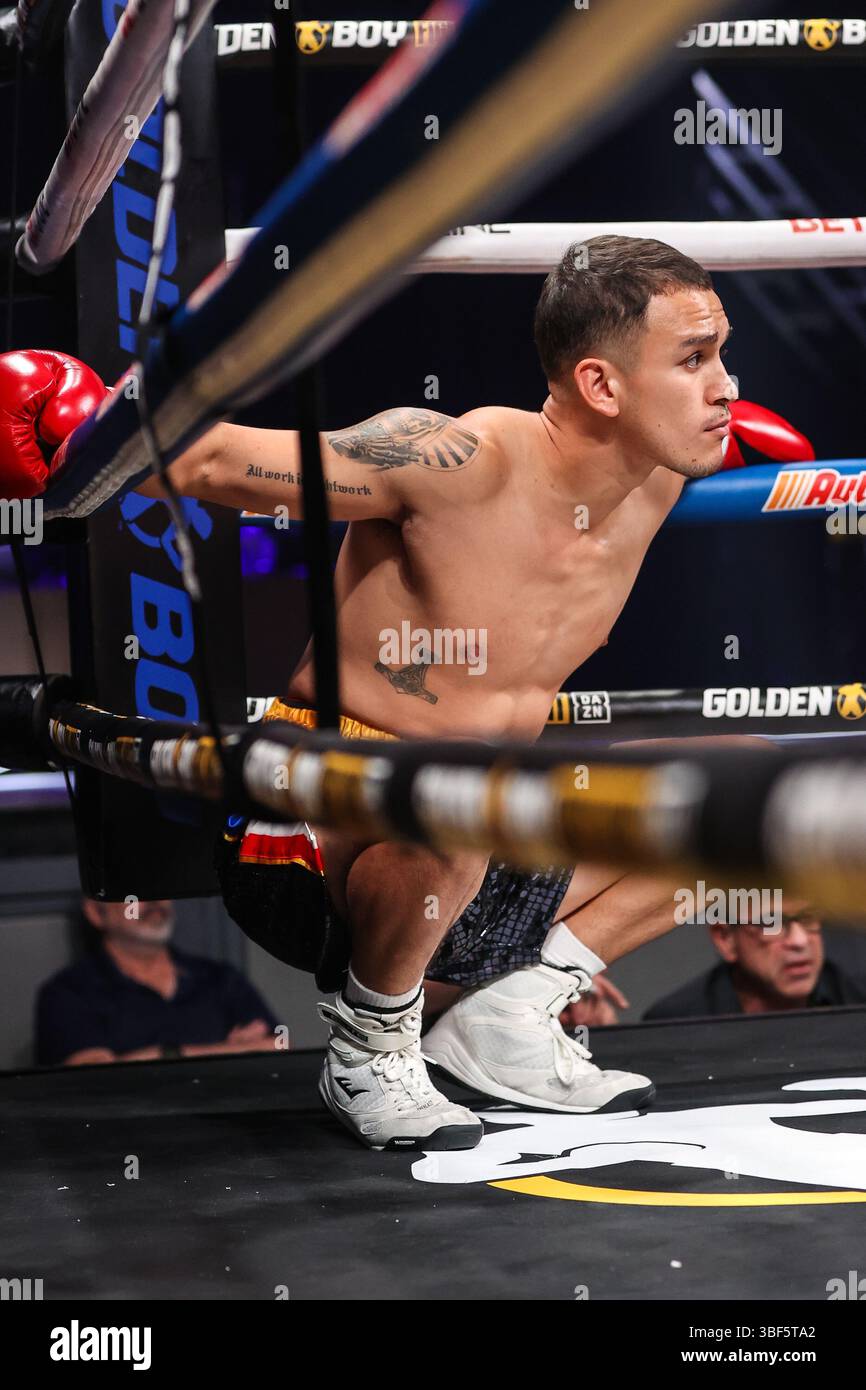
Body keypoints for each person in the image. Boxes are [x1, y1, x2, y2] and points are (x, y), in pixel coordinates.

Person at [2, 235, 808, 1150]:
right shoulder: (456, 460)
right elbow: (220, 463)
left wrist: (721, 424)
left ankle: (507, 1013)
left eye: (723, 353)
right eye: (695, 358)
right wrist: (77, 423)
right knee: (457, 787)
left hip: (478, 839)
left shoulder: (660, 472)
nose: (727, 385)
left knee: (756, 789)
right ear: (602, 385)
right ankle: (370, 1045)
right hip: (309, 834)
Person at [36, 896, 280, 1066]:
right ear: (95, 912)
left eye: (158, 890)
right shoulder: (69, 992)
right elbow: (93, 1078)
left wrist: (153, 1056)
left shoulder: (219, 978)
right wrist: (230, 1052)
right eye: (133, 891)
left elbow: (277, 1047)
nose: (153, 900)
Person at [644, 901, 866, 1020]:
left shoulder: (858, 997)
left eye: (808, 918)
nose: (799, 941)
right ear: (726, 938)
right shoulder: (676, 1025)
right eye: (771, 923)